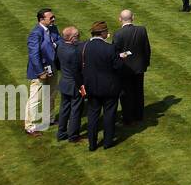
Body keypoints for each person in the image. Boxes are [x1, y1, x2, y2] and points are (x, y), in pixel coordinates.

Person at [81, 20, 128, 152]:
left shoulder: (84, 47)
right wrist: (121, 59)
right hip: (109, 88)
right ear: (102, 33)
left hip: (92, 87)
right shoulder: (110, 48)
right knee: (109, 115)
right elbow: (117, 66)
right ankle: (107, 142)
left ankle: (92, 144)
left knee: (93, 116)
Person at [113, 9, 152, 125]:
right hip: (139, 67)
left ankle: (128, 118)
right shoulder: (142, 30)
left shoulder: (118, 34)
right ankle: (139, 115)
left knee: (126, 93)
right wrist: (146, 63)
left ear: (120, 19)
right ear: (133, 17)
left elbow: (115, 53)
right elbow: (147, 49)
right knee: (138, 91)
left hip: (125, 69)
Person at [24, 8, 59, 136]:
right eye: (51, 18)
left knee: (51, 94)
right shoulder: (35, 33)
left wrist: (53, 45)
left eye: (53, 17)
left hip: (52, 67)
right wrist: (40, 72)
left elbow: (58, 40)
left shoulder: (53, 28)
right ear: (41, 20)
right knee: (35, 99)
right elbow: (34, 54)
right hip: (39, 71)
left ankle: (49, 119)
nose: (54, 19)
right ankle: (30, 126)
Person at [54, 25, 83, 143]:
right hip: (74, 85)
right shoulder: (75, 52)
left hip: (64, 82)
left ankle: (61, 133)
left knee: (64, 109)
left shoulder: (60, 47)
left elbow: (56, 63)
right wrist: (82, 86)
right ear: (72, 38)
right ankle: (73, 135)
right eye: (78, 36)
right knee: (76, 110)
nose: (79, 38)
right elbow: (77, 72)